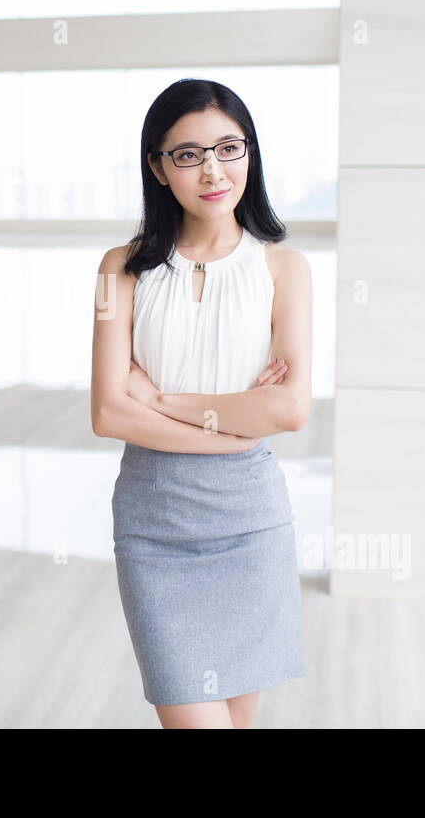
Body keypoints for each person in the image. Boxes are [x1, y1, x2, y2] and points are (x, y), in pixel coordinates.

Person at [90, 78, 312, 728]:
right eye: (187, 154)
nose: (212, 169)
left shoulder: (284, 270)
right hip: (155, 529)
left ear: (250, 153)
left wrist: (160, 399)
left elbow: (288, 411)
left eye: (228, 148)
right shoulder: (117, 269)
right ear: (157, 166)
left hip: (249, 524)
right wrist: (234, 421)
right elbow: (108, 413)